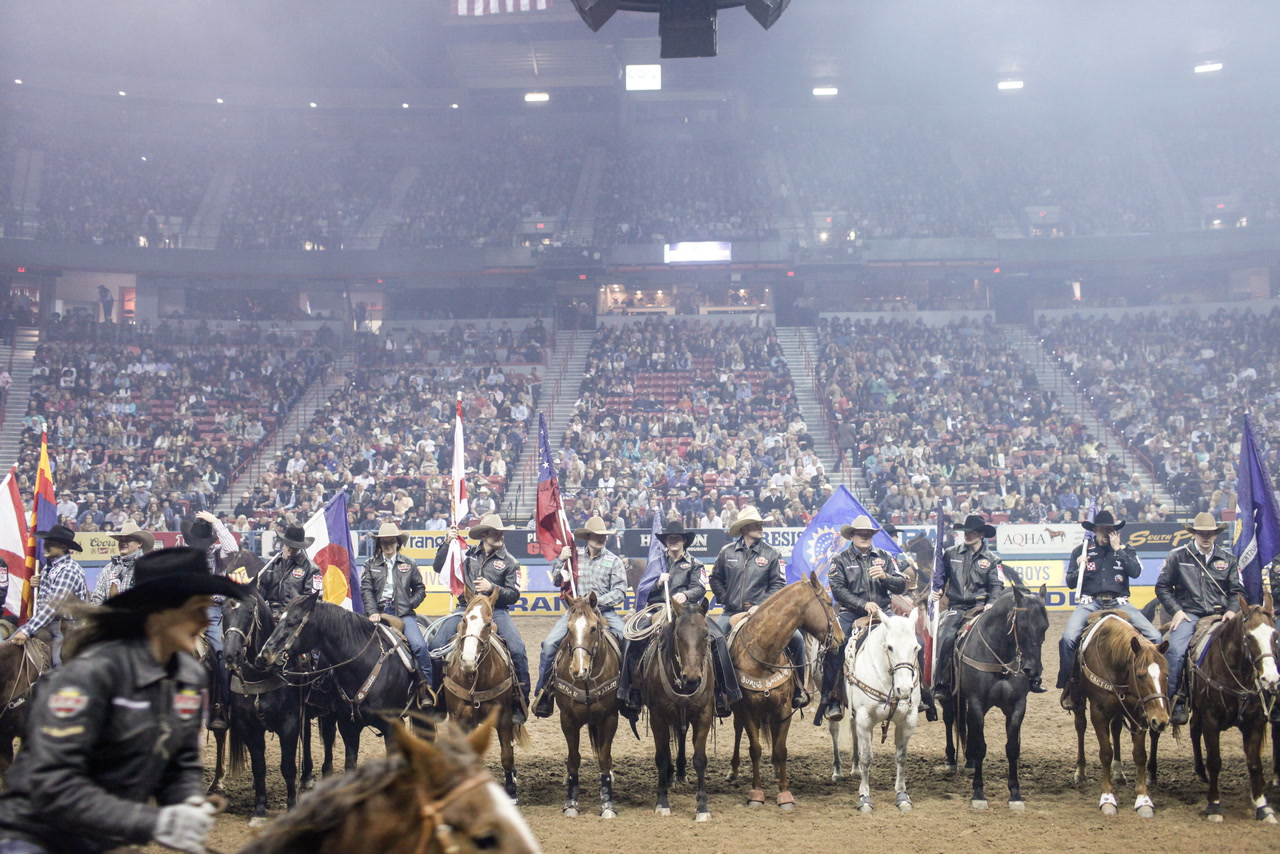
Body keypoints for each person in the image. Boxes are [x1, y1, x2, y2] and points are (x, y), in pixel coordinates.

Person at [0, 546, 248, 854]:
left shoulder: (188, 676)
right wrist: (155, 822)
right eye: (196, 610)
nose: (204, 622)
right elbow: (54, 787)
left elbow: (180, 759)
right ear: (160, 614)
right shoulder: (90, 677)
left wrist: (187, 803)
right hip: (34, 837)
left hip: (108, 836)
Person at [617, 521, 738, 716]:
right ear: (665, 542)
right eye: (669, 538)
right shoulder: (656, 564)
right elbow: (642, 591)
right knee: (633, 637)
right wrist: (657, 583)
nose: (673, 541)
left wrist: (686, 595)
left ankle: (722, 691)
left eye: (676, 538)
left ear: (684, 541)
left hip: (687, 612)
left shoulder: (695, 564)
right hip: (658, 608)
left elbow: (700, 587)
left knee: (717, 638)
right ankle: (633, 690)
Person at [429, 514, 530, 724]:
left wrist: (493, 588)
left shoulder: (511, 562)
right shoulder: (465, 555)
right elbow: (439, 566)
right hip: (464, 609)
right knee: (436, 645)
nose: (500, 535)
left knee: (518, 649)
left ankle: (520, 701)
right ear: (484, 535)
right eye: (495, 532)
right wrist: (447, 542)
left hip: (497, 611)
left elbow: (514, 594)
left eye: (501, 532)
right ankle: (437, 699)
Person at [1056, 510, 1161, 711]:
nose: (1107, 533)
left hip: (1120, 602)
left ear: (1116, 532)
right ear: (1094, 531)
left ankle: (1153, 688)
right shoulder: (1081, 551)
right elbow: (1070, 582)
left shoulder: (1126, 550)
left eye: (1110, 530)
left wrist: (1118, 549)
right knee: (1068, 638)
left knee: (1155, 637)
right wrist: (1080, 568)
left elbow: (1136, 572)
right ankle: (1069, 685)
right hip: (1090, 602)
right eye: (1103, 529)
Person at [814, 515, 907, 724]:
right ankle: (831, 698)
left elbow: (901, 585)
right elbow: (838, 590)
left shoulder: (884, 557)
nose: (865, 536)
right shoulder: (840, 559)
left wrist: (886, 577)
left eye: (869, 533)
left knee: (911, 642)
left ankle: (921, 694)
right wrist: (862, 604)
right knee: (835, 646)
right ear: (852, 536)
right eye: (860, 533)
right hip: (851, 613)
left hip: (883, 612)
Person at [532, 516, 629, 718]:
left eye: (603, 536)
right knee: (549, 644)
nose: (600, 539)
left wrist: (596, 602)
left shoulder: (614, 561)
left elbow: (620, 592)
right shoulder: (573, 557)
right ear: (588, 537)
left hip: (604, 611)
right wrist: (560, 561)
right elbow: (557, 580)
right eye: (596, 536)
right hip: (575, 613)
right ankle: (544, 692)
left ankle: (629, 689)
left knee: (627, 639)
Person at [709, 506, 804, 709]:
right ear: (744, 528)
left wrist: (761, 606)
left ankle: (799, 688)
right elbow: (715, 578)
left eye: (761, 523)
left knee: (797, 640)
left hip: (763, 615)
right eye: (756, 524)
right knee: (713, 641)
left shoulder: (773, 554)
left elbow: (778, 585)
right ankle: (719, 691)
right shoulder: (726, 553)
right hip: (731, 612)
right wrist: (726, 597)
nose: (761, 527)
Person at [1154, 512, 1243, 726]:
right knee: (1174, 651)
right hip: (1189, 613)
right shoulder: (1178, 555)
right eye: (1201, 533)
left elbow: (1236, 591)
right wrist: (1176, 610)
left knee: (1248, 646)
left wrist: (1232, 610)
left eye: (1210, 533)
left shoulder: (1228, 559)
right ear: (1194, 533)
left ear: (1216, 534)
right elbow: (1163, 586)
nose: (1206, 537)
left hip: (1220, 615)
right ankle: (1176, 700)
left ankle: (1251, 697)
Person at [929, 514, 1019, 699]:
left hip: (982, 606)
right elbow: (941, 577)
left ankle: (1019, 674)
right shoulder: (951, 554)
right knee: (946, 636)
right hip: (957, 606)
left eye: (971, 532)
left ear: (981, 534)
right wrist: (936, 590)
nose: (967, 535)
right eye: (965, 532)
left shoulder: (993, 560)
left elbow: (996, 586)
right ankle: (941, 682)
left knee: (1014, 634)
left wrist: (992, 603)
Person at [359, 521, 432, 691]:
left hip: (404, 615)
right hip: (376, 612)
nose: (388, 546)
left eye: (392, 542)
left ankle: (427, 689)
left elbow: (420, 590)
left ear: (398, 543)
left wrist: (407, 605)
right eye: (384, 542)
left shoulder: (410, 563)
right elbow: (366, 590)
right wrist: (372, 611)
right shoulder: (370, 564)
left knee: (420, 647)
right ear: (380, 544)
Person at [8, 524, 88, 667]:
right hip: (50, 623)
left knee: (58, 663)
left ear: (63, 547)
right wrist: (37, 586)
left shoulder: (68, 570)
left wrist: (27, 630)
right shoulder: (50, 567)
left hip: (68, 627)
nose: (46, 545)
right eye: (46, 542)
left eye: (51, 543)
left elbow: (53, 606)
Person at [257, 525, 325, 617]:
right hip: (270, 614)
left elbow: (313, 600)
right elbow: (261, 592)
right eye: (289, 545)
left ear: (300, 547)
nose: (290, 549)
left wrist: (294, 613)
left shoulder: (312, 569)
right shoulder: (272, 564)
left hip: (294, 618)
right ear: (284, 543)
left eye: (295, 546)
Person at [90, 521, 155, 605]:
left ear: (139, 543)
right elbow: (96, 598)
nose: (123, 543)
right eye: (121, 540)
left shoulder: (147, 568)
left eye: (128, 540)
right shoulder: (109, 568)